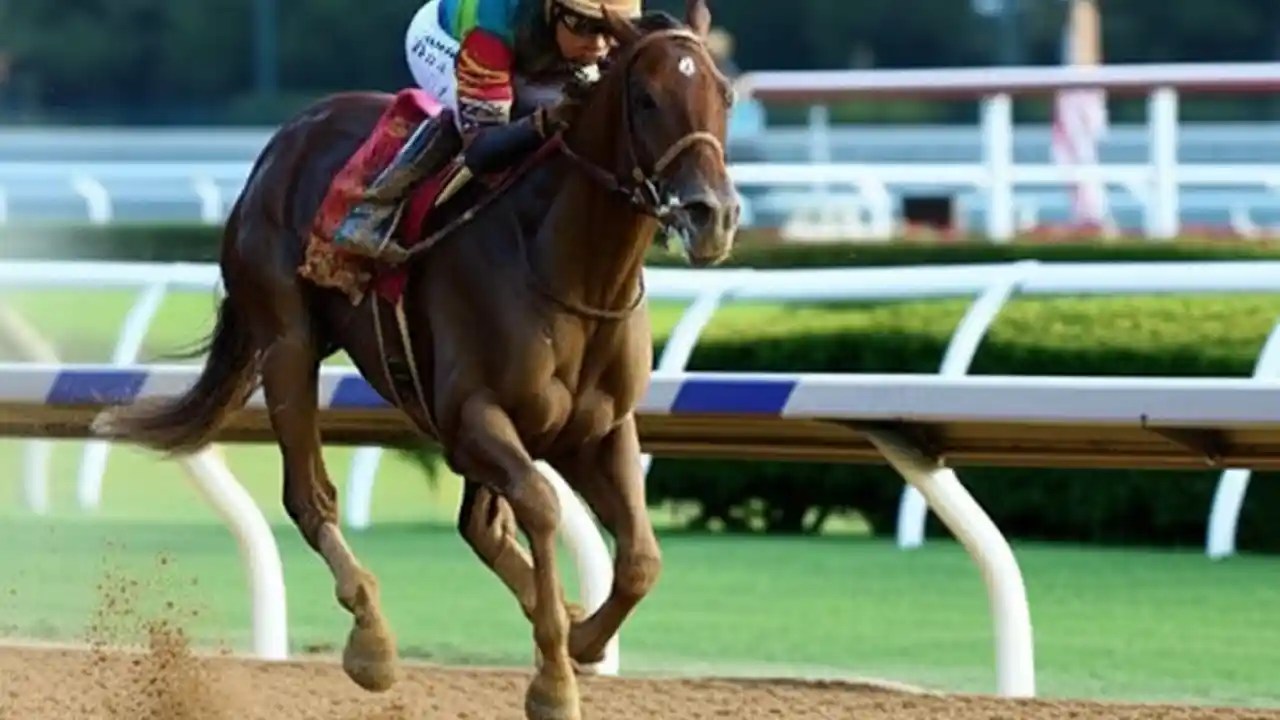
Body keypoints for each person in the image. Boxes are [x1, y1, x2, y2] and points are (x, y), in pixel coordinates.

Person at [332, 0, 642, 261]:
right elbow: (481, 148)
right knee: (479, 117)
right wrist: (546, 121)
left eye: (610, 29)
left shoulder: (578, 34)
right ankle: (369, 212)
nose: (600, 44)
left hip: (529, 49)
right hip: (444, 39)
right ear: (552, 8)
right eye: (585, 26)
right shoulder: (494, 28)